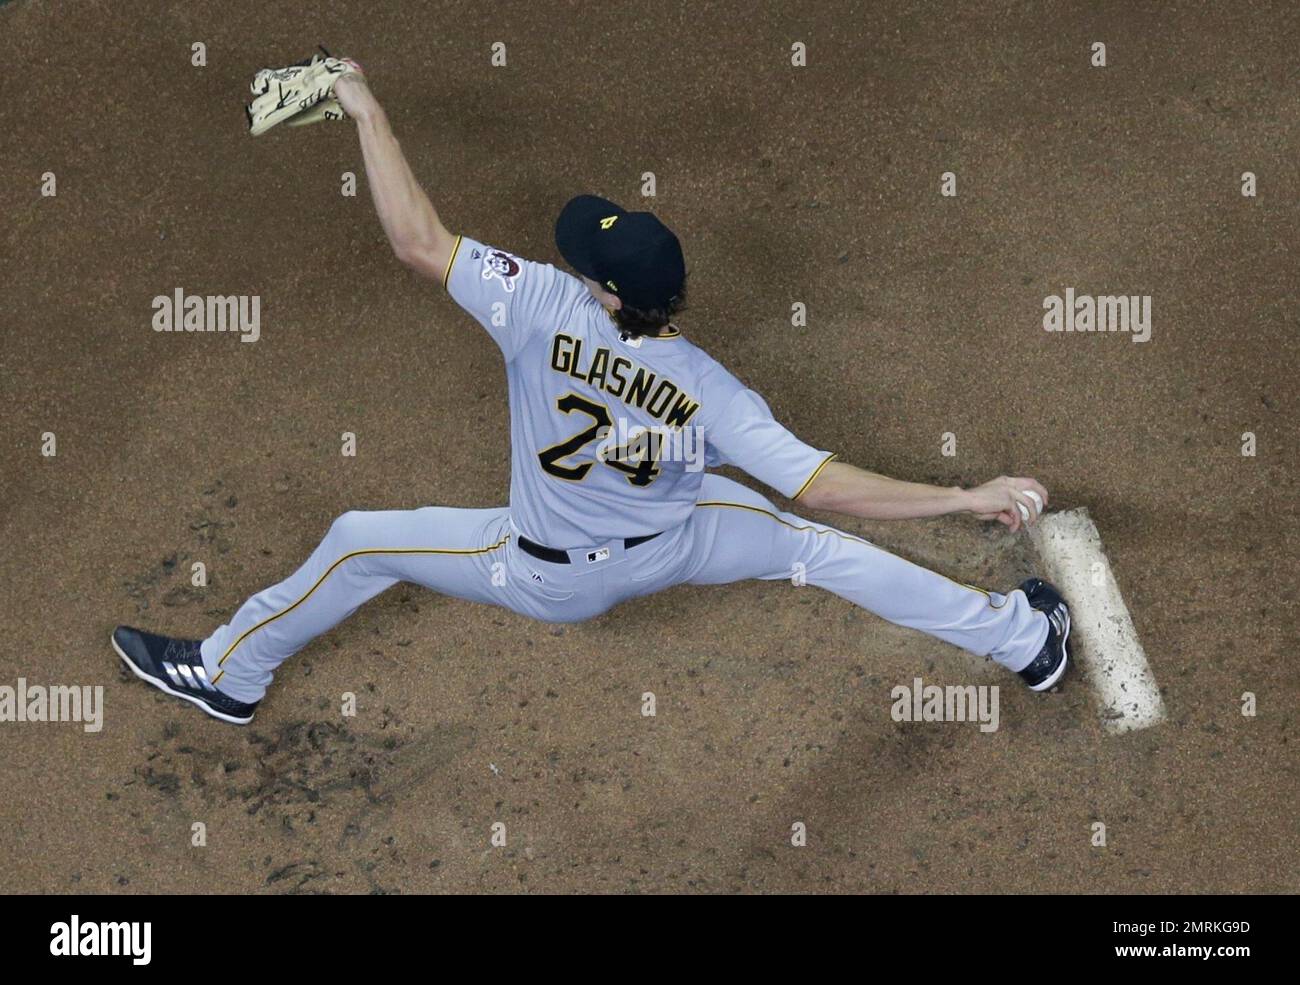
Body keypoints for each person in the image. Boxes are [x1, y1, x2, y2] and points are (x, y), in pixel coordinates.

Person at [112, 67, 1069, 725]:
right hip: (676, 543)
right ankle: (1025, 642)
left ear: (610, 294)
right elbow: (819, 485)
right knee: (820, 547)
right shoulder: (712, 392)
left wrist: (366, 112)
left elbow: (417, 240)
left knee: (364, 538)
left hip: (545, 573)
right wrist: (961, 494)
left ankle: (231, 672)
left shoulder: (539, 305)